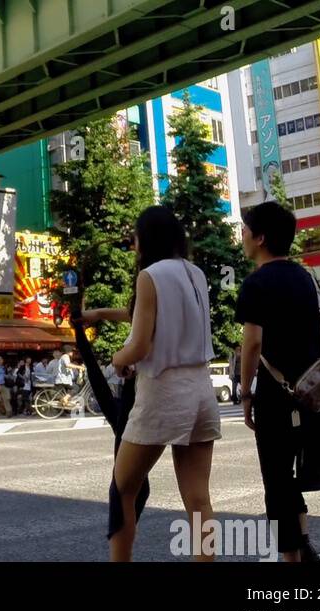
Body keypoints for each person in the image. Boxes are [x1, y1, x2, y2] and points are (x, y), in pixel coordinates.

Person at [103, 206, 220, 562]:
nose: (134, 245)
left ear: (146, 238)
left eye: (136, 237)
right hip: (202, 389)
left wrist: (116, 359)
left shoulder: (149, 276)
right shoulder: (196, 273)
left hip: (163, 392)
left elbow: (139, 345)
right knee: (199, 499)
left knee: (122, 489)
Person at [237, 201, 320, 562]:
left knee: (276, 482)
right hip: (311, 393)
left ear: (260, 238)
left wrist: (245, 393)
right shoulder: (306, 277)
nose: (242, 235)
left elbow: (253, 342)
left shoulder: (256, 282)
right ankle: (304, 541)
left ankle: (290, 557)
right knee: (293, 476)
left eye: (246, 229)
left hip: (275, 398)